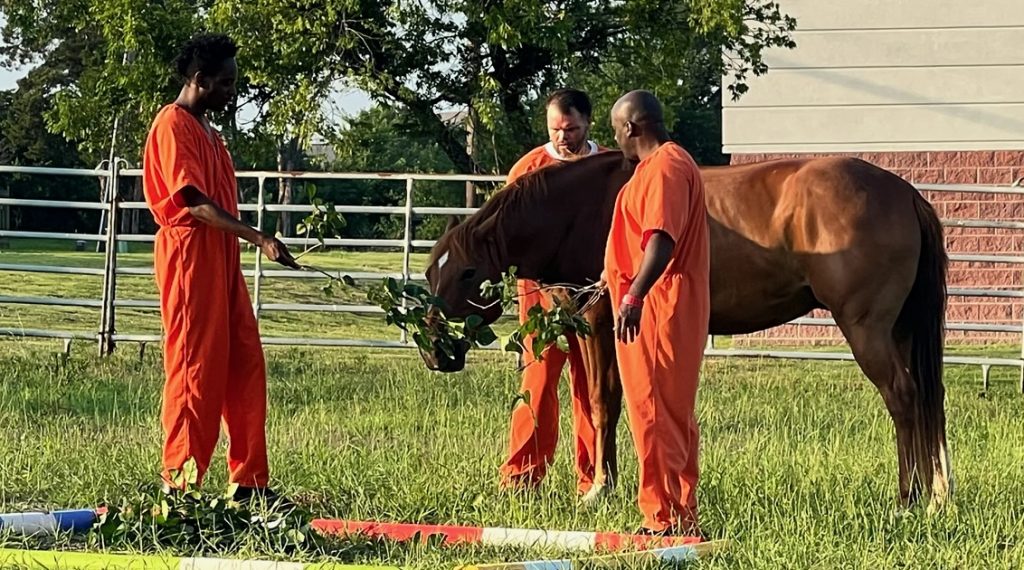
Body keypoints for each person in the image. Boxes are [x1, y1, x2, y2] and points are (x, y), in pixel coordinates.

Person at [141, 33, 299, 502]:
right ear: (199, 80)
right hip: (190, 257)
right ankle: (181, 488)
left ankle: (250, 484)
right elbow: (190, 200)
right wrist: (259, 237)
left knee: (244, 363)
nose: (233, 91)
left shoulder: (210, 132)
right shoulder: (172, 125)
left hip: (222, 258)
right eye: (225, 83)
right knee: (196, 371)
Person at [602, 90, 710, 535]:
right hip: (660, 304)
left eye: (615, 130)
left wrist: (633, 296)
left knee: (654, 411)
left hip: (659, 308)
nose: (615, 139)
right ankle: (677, 513)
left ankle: (663, 519)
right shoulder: (664, 165)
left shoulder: (664, 167)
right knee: (665, 411)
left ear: (631, 127)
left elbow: (660, 240)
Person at [499, 89, 606, 495]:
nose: (563, 137)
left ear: (588, 123)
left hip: (594, 296)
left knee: (590, 385)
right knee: (537, 386)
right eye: (556, 129)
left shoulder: (608, 164)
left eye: (572, 128)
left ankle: (593, 476)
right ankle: (522, 477)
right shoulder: (529, 168)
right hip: (541, 298)